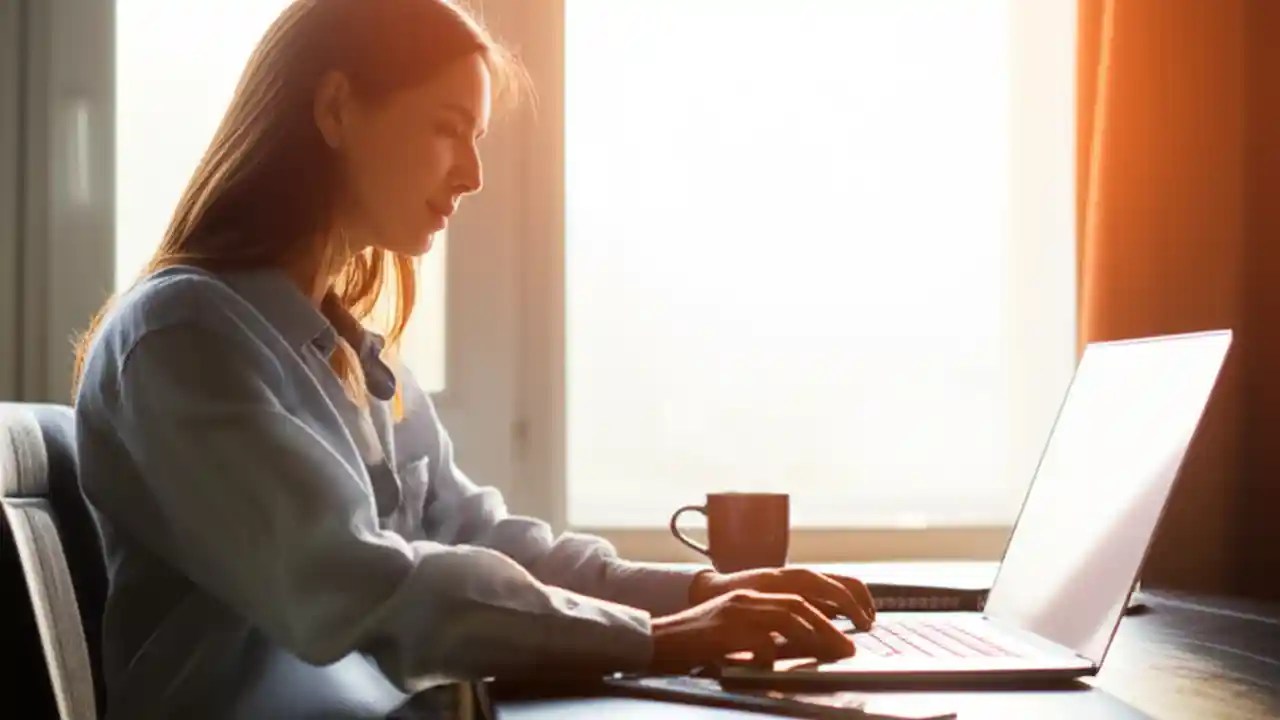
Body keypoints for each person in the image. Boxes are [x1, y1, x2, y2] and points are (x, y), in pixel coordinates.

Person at [73, 0, 876, 716]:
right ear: (337, 107)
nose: (473, 174)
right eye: (446, 128)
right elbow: (351, 586)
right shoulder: (182, 338)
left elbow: (480, 537)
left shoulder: (341, 350)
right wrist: (659, 639)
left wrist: (700, 593)